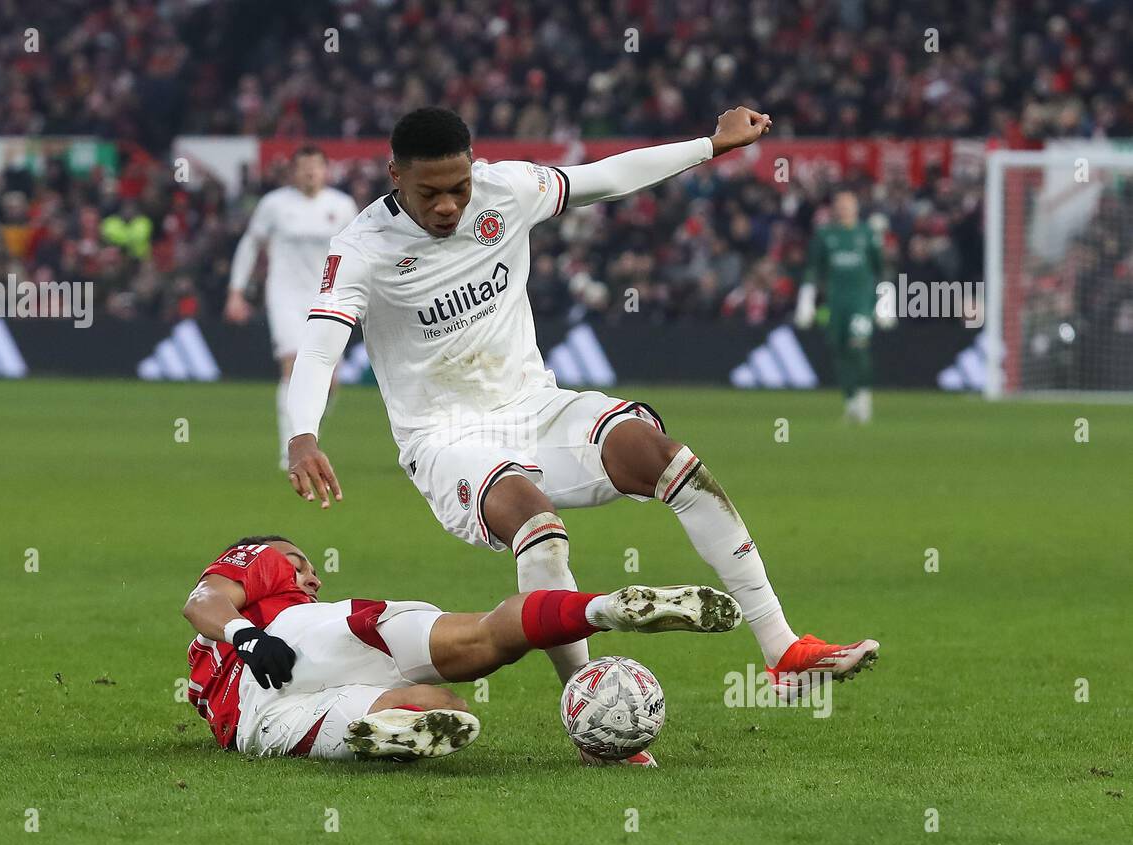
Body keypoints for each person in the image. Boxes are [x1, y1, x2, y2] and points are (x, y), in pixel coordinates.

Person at [285, 106, 880, 766]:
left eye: (459, 187)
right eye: (430, 193)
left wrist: (710, 144)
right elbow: (317, 351)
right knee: (537, 525)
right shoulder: (361, 247)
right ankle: (593, 721)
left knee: (664, 458)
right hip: (446, 436)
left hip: (538, 406)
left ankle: (781, 647)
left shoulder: (506, 190)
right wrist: (303, 434)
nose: (450, 205)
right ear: (395, 175)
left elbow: (607, 176)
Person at [182, 535, 742, 763]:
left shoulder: (200, 669)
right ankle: (600, 608)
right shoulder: (264, 561)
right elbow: (202, 597)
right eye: (300, 564)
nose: (311, 574)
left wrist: (237, 639)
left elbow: (203, 637)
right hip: (295, 640)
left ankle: (392, 732)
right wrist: (248, 634)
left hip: (259, 725)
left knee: (448, 709)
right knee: (483, 637)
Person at [226, 146, 358, 467]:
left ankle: (308, 432)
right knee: (294, 364)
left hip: (329, 298)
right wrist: (236, 291)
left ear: (326, 171)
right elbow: (250, 244)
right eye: (304, 167)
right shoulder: (275, 204)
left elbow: (359, 251)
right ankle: (290, 451)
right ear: (293, 172)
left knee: (330, 380)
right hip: (285, 296)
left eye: (316, 167)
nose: (310, 172)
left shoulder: (341, 206)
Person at [795, 190, 893, 422]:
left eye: (849, 205)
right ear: (835, 209)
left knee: (858, 347)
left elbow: (882, 269)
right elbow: (813, 269)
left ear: (856, 208)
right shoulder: (825, 235)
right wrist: (806, 300)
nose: (844, 209)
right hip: (836, 302)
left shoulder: (868, 234)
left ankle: (864, 396)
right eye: (840, 205)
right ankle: (850, 401)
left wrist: (886, 304)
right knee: (839, 351)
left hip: (861, 301)